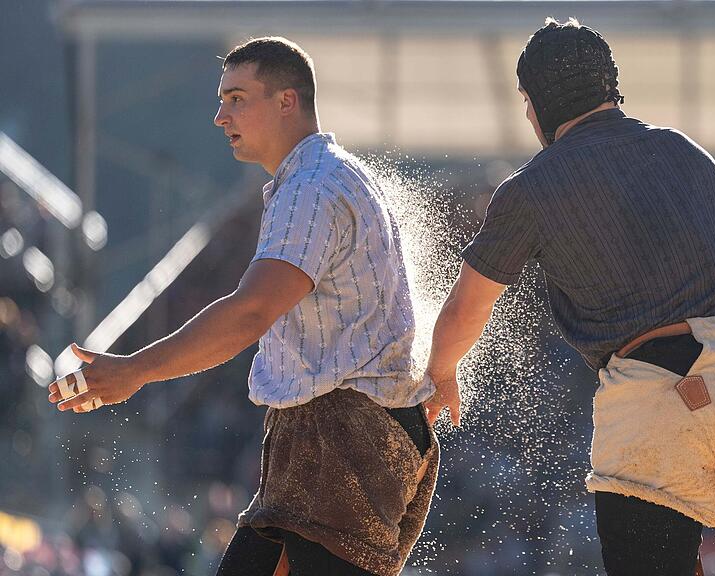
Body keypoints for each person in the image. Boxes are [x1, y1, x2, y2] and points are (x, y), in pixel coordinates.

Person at [423, 18, 715, 576]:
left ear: (535, 103)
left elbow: (468, 305)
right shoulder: (691, 155)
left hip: (653, 395)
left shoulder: (531, 188)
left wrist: (443, 371)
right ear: (611, 88)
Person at [48, 37, 438, 576]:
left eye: (236, 98)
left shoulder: (312, 188)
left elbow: (251, 311)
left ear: (286, 102)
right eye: (221, 99)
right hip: (332, 436)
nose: (219, 115)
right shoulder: (326, 176)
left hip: (344, 438)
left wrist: (136, 370)